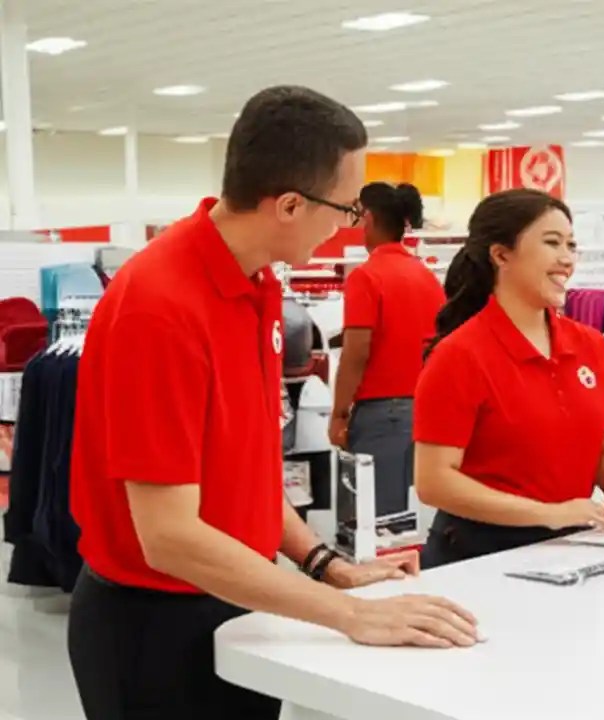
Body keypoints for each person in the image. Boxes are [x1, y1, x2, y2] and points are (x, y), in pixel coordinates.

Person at [67, 86, 478, 720]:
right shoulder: (161, 306)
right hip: (154, 627)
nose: (348, 226)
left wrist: (322, 563)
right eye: (345, 208)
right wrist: (346, 616)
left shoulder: (256, 286)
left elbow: (249, 465)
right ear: (288, 204)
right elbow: (169, 536)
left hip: (239, 600)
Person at [413, 189, 604, 568]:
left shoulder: (590, 346)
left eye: (572, 245)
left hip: (572, 547)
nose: (567, 259)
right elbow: (434, 482)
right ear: (501, 254)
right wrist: (550, 512)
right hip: (479, 558)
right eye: (552, 243)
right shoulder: (459, 355)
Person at [329, 181, 446, 517]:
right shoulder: (426, 277)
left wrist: (339, 413)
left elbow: (357, 351)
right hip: (425, 409)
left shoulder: (366, 277)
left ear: (368, 217)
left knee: (374, 520)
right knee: (415, 519)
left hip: (381, 414)